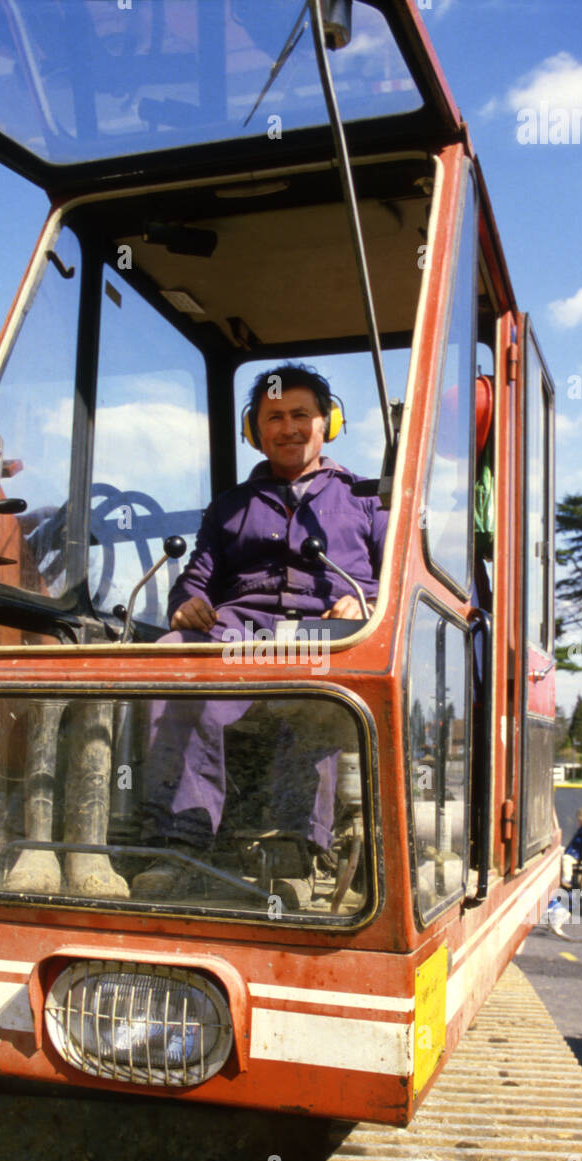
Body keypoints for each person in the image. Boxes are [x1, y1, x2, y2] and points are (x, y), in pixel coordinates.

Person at [131, 362, 387, 897]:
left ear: (328, 422)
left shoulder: (368, 498)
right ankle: (180, 844)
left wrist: (364, 606)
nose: (288, 427)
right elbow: (195, 580)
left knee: (319, 680)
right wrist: (189, 605)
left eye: (301, 414)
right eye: (274, 417)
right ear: (255, 430)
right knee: (174, 655)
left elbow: (401, 577)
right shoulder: (230, 507)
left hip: (331, 631)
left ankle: (296, 849)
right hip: (241, 634)